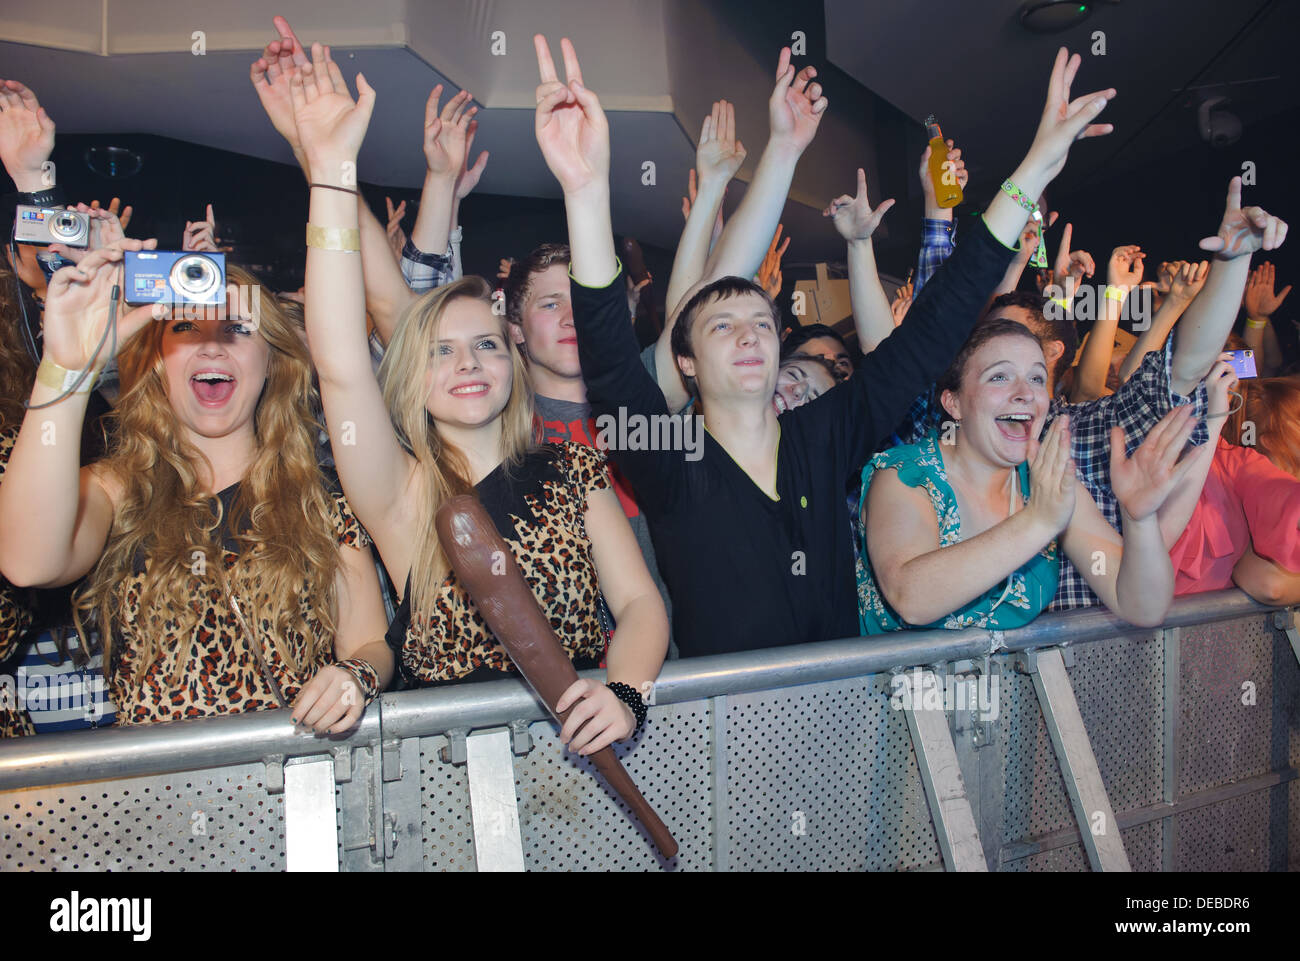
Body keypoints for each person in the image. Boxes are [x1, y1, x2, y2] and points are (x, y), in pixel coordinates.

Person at [547, 35, 1115, 656]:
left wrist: (1035, 166)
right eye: (721, 326)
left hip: (847, 729)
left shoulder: (823, 435)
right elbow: (605, 354)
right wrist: (584, 190)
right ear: (685, 363)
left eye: (762, 323)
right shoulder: (667, 459)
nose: (748, 334)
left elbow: (937, 323)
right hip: (730, 738)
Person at [285, 41, 666, 755]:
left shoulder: (573, 472)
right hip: (452, 765)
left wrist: (626, 690)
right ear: (411, 381)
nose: (469, 360)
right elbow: (339, 361)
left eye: (488, 343)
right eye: (441, 349)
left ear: (514, 365)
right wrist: (333, 172)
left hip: (583, 755)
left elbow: (641, 603)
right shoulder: (398, 492)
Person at [0, 247, 392, 731]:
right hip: (162, 792)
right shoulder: (115, 489)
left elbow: (370, 643)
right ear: (158, 361)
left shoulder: (321, 498)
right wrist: (65, 371)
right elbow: (26, 562)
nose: (211, 348)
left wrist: (356, 674)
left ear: (272, 359)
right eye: (185, 327)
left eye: (236, 329)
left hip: (300, 781)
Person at [859, 321, 1196, 632]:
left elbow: (1142, 607)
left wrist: (1139, 521)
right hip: (890, 693)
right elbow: (912, 599)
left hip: (1007, 694)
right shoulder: (904, 474)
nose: (1025, 392)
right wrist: (1039, 521)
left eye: (1036, 378)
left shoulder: (1049, 485)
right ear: (954, 402)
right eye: (999, 377)